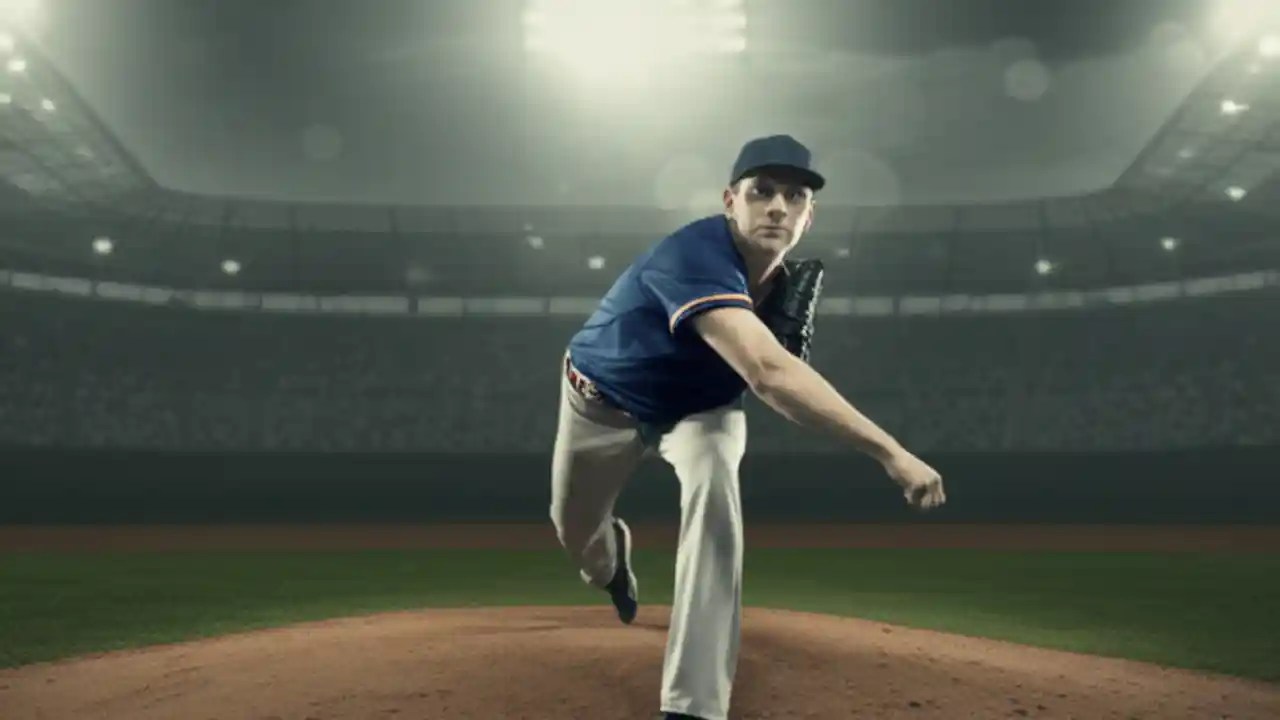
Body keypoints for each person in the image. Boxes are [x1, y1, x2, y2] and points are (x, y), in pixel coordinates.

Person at [549, 134, 946, 720]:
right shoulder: (692, 255)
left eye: (796, 196)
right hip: (600, 405)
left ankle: (694, 705)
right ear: (730, 200)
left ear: (810, 218)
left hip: (700, 414)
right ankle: (608, 564)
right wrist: (892, 453)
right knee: (574, 529)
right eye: (762, 192)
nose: (779, 207)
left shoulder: (782, 286)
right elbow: (767, 373)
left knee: (716, 493)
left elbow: (776, 389)